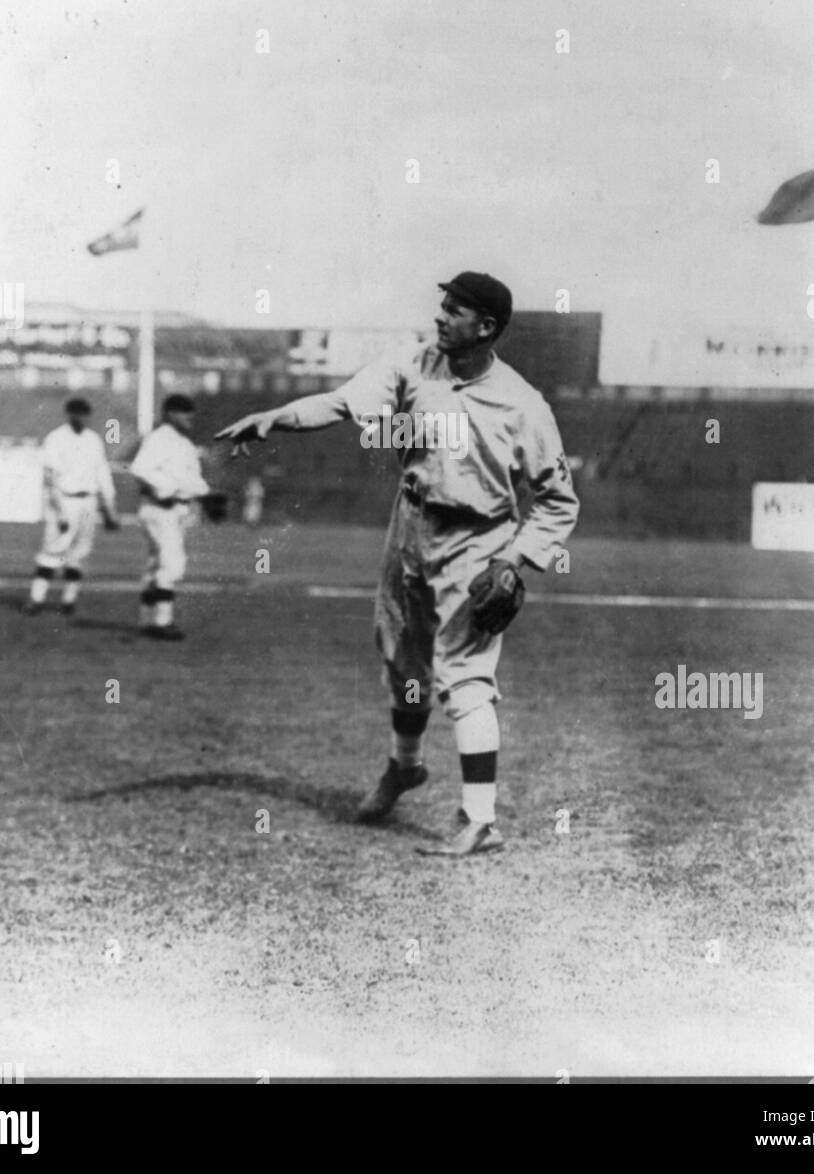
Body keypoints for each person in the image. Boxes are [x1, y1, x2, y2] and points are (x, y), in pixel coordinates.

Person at [215, 272, 580, 857]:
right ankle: (404, 767)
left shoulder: (522, 404)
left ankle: (481, 820)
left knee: (463, 674)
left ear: (485, 327)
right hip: (411, 524)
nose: (440, 317)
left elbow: (558, 501)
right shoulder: (415, 364)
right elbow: (340, 403)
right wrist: (274, 417)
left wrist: (514, 561)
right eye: (442, 306)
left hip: (477, 539)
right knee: (402, 657)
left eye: (454, 310)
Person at [25, 397, 120, 616]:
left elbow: (102, 475)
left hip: (88, 500)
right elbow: (50, 477)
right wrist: (59, 510)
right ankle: (36, 598)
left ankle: (69, 599)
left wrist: (110, 509)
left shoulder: (94, 440)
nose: (81, 417)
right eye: (77, 413)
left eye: (84, 413)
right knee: (53, 549)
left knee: (79, 552)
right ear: (69, 414)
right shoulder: (56, 438)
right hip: (65, 499)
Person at [130, 393, 211, 640]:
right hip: (159, 508)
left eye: (190, 413)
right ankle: (162, 622)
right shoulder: (159, 438)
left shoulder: (183, 443)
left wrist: (207, 494)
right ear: (170, 414)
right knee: (172, 564)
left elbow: (192, 478)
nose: (189, 417)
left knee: (157, 565)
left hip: (175, 510)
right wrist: (167, 488)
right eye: (184, 412)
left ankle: (146, 620)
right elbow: (139, 468)